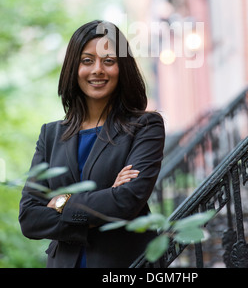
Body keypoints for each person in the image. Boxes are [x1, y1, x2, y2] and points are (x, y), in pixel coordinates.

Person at [19, 20, 165, 268]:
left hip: (123, 264)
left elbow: (126, 201)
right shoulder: (51, 135)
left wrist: (59, 201)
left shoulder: (145, 126)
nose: (98, 69)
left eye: (109, 61)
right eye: (87, 60)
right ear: (73, 69)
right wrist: (107, 196)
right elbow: (30, 218)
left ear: (123, 68)